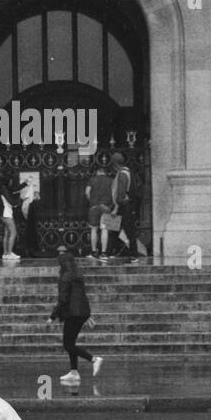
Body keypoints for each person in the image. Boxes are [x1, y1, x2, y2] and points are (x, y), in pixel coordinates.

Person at [48, 248, 101, 385]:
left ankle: (93, 359)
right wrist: (87, 315)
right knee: (71, 343)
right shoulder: (78, 275)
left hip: (72, 314)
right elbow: (81, 297)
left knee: (68, 344)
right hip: (81, 313)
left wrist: (52, 316)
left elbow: (63, 299)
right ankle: (74, 372)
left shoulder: (65, 278)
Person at [108, 151, 139, 261]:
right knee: (115, 230)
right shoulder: (128, 172)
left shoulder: (122, 174)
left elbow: (121, 193)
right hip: (127, 205)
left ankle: (134, 255)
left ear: (115, 164)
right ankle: (110, 252)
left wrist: (116, 207)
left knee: (127, 231)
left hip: (123, 206)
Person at [85, 163, 113, 260]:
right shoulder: (111, 180)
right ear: (105, 172)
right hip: (106, 207)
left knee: (94, 229)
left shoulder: (92, 180)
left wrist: (92, 201)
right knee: (105, 229)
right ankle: (104, 253)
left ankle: (93, 252)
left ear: (97, 171)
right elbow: (114, 194)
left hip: (94, 206)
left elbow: (87, 192)